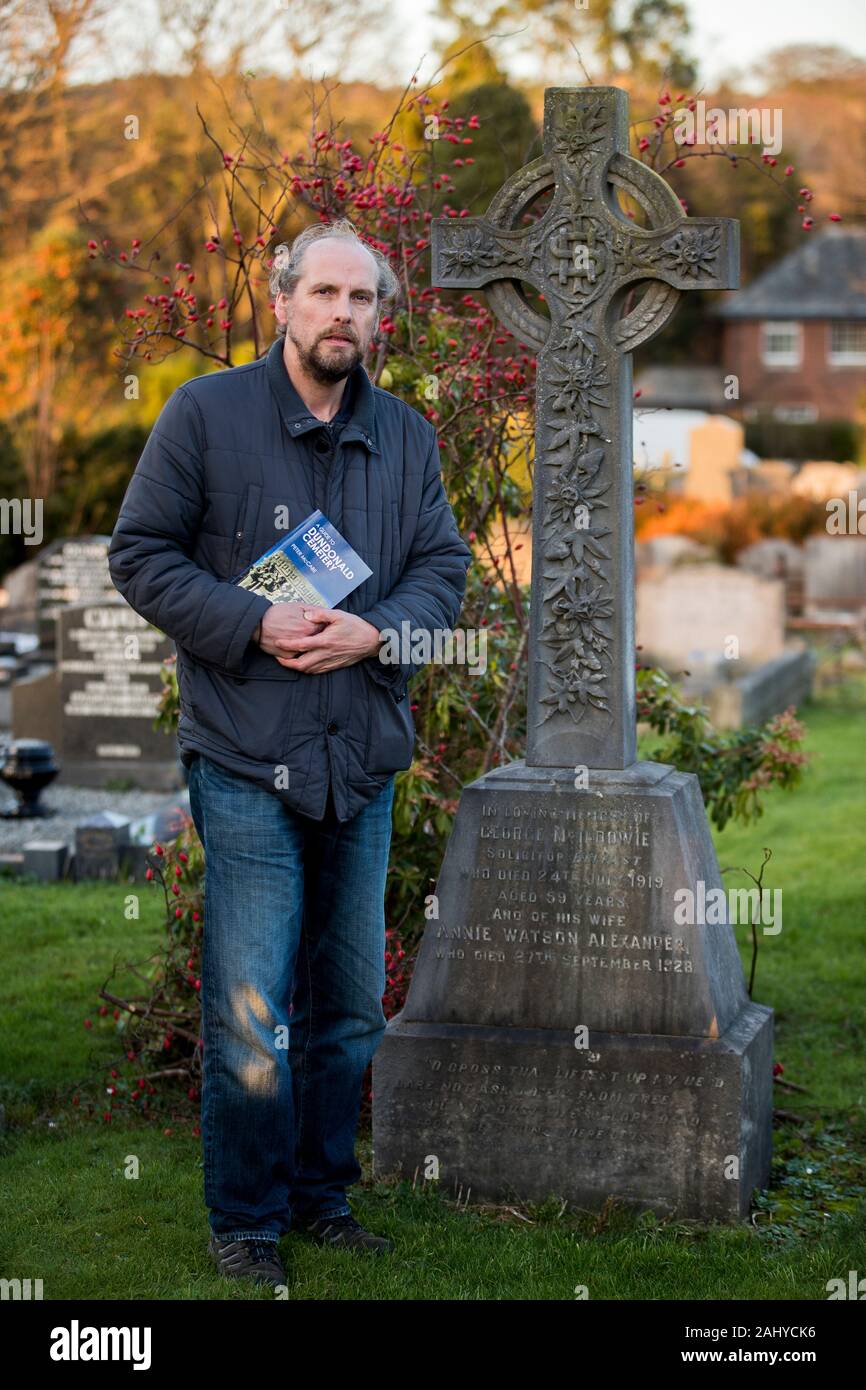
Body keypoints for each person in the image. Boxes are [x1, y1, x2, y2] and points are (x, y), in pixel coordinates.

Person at [108, 218, 472, 1287]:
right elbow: (139, 553)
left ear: (377, 317)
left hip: (358, 756)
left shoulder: (405, 434)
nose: (341, 316)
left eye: (361, 301)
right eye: (323, 294)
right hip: (244, 752)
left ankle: (322, 1198)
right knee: (254, 1012)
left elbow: (443, 567)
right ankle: (248, 1220)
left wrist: (380, 628)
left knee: (350, 1005)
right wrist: (250, 622)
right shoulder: (205, 414)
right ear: (281, 300)